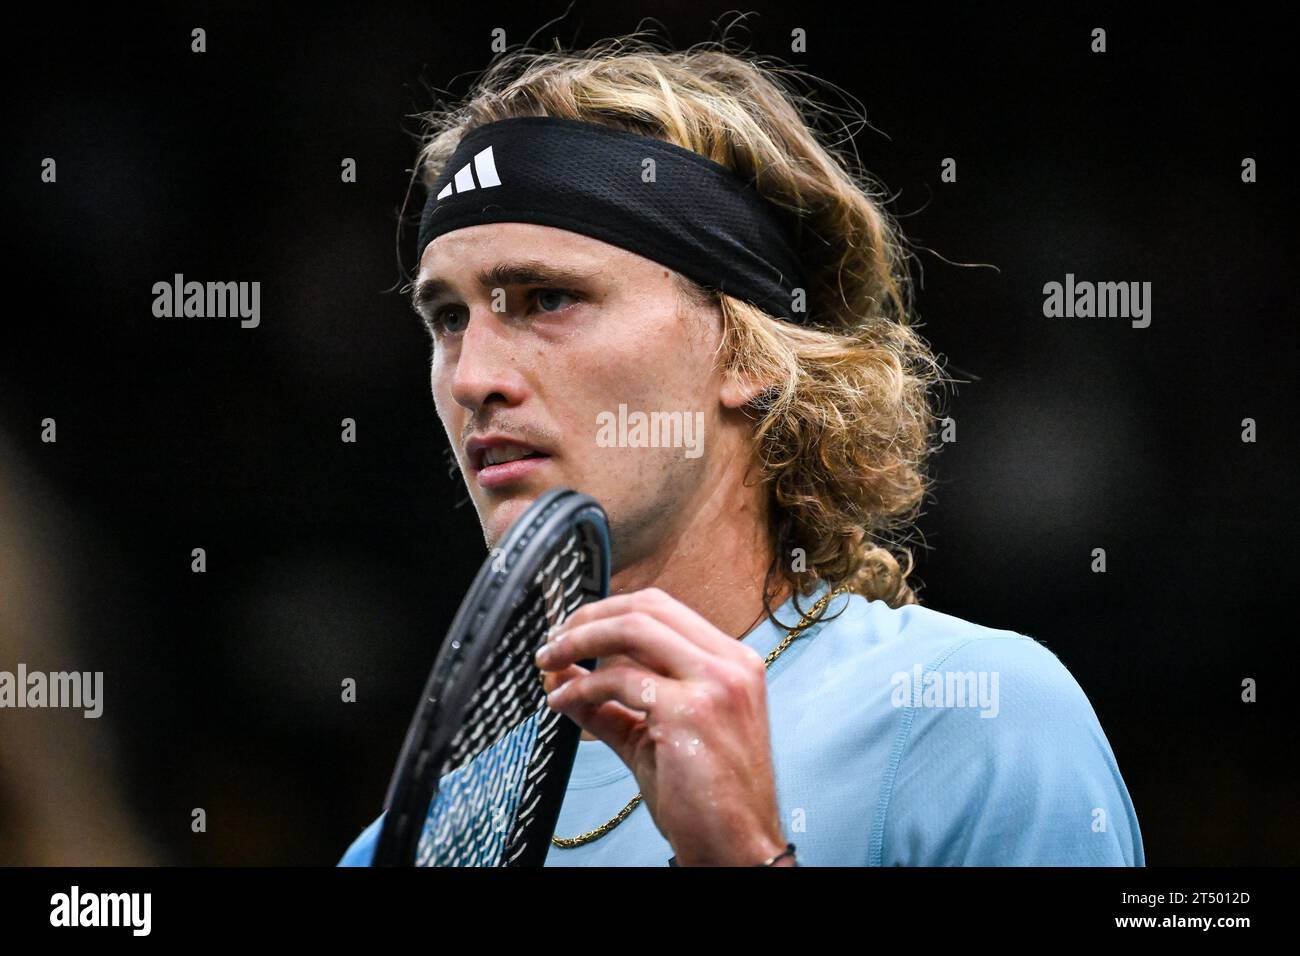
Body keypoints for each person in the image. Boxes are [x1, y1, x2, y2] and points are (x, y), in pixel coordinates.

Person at [340, 36, 1144, 867]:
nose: (473, 377)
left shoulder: (978, 718)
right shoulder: (417, 840)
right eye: (448, 319)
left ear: (749, 352)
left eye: (548, 298)